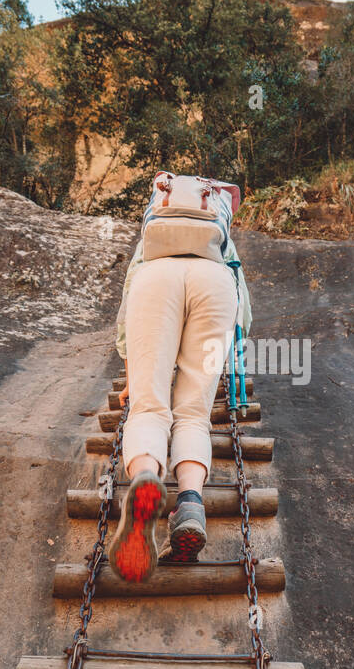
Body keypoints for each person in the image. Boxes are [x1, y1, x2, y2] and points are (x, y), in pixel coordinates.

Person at [106, 174, 251, 582]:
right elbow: (243, 310)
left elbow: (129, 293)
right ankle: (189, 503)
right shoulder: (219, 237)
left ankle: (147, 478)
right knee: (192, 414)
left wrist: (132, 369)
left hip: (155, 281)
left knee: (150, 408)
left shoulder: (156, 230)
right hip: (216, 286)